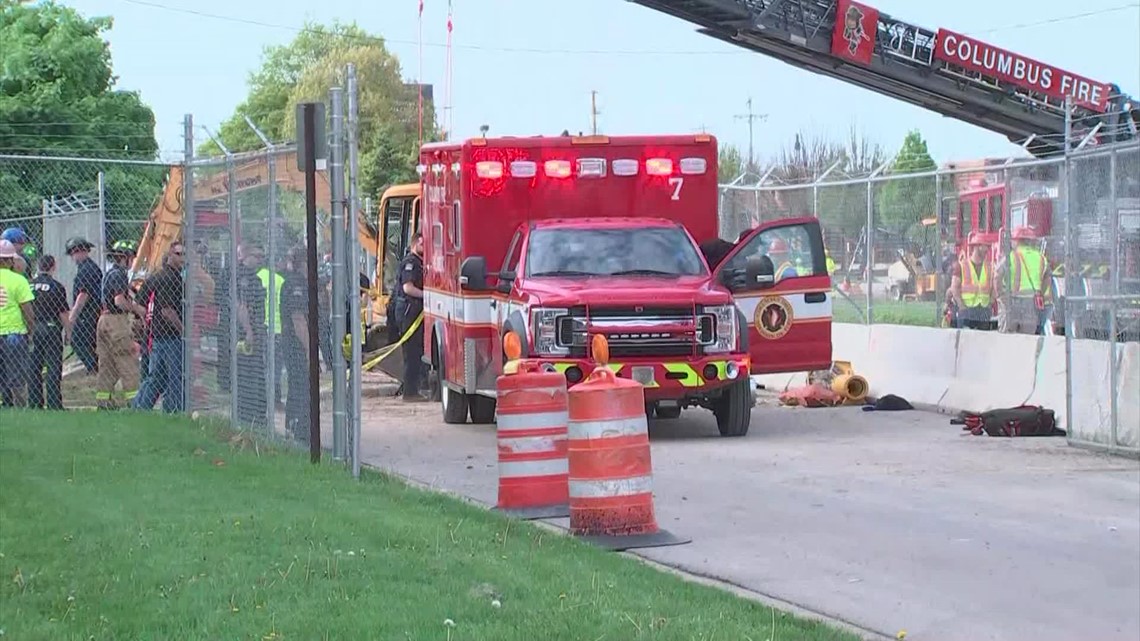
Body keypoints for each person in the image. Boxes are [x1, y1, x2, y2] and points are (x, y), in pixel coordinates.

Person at [134, 243, 185, 413]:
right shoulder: (171, 278)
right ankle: (173, 409)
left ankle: (140, 408)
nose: (182, 258)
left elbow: (139, 303)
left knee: (155, 376)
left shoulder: (156, 277)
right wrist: (183, 330)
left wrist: (147, 321)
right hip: (171, 336)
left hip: (155, 335)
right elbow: (167, 310)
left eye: (184, 254)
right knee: (174, 376)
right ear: (169, 255)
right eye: (178, 254)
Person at [95, 240, 145, 409]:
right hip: (116, 322)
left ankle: (104, 402)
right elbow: (119, 301)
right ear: (125, 257)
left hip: (103, 321)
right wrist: (136, 309)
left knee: (107, 364)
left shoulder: (109, 273)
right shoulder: (119, 275)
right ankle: (134, 403)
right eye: (131, 257)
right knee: (127, 362)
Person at [28, 254, 70, 409]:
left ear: (38, 267)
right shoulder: (57, 286)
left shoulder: (29, 285)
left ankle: (34, 402)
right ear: (53, 267)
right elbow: (63, 312)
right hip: (51, 328)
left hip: (33, 328)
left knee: (34, 367)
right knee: (53, 366)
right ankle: (54, 403)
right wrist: (69, 333)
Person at [281, 246, 312, 441]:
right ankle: (299, 427)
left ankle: (293, 425)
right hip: (296, 344)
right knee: (301, 384)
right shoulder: (296, 284)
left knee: (296, 384)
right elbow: (298, 319)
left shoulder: (293, 282)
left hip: (291, 342)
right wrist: (309, 349)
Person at [0, 239, 35, 408]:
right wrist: (30, 330)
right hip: (14, 332)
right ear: (9, 260)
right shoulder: (19, 280)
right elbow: (27, 310)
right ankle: (20, 407)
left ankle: (4, 405)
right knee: (16, 375)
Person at [995, 226, 1049, 335]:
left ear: (1017, 241)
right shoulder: (1041, 258)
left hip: (1012, 301)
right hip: (1032, 302)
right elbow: (1046, 279)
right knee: (1028, 337)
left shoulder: (1011, 256)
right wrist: (1040, 293)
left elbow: (997, 276)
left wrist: (1000, 295)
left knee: (1007, 336)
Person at [394, 232, 427, 402]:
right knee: (411, 353)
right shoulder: (410, 263)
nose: (426, 247)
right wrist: (426, 295)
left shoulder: (420, 263)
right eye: (423, 244)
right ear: (415, 243)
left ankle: (414, 389)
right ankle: (410, 393)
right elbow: (408, 288)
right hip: (409, 312)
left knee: (416, 353)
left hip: (414, 312)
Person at [66, 237, 102, 374]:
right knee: (89, 341)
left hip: (88, 313)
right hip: (92, 311)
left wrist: (72, 317)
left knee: (78, 341)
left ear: (78, 251)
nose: (72, 257)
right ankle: (95, 367)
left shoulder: (86, 269)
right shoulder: (89, 267)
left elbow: (83, 295)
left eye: (72, 254)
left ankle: (93, 368)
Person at [949, 234, 995, 330]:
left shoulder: (990, 267)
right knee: (965, 341)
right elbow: (954, 288)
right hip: (967, 310)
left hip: (984, 311)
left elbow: (994, 287)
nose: (987, 249)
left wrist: (990, 303)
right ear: (977, 247)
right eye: (985, 246)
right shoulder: (961, 266)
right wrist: (961, 305)